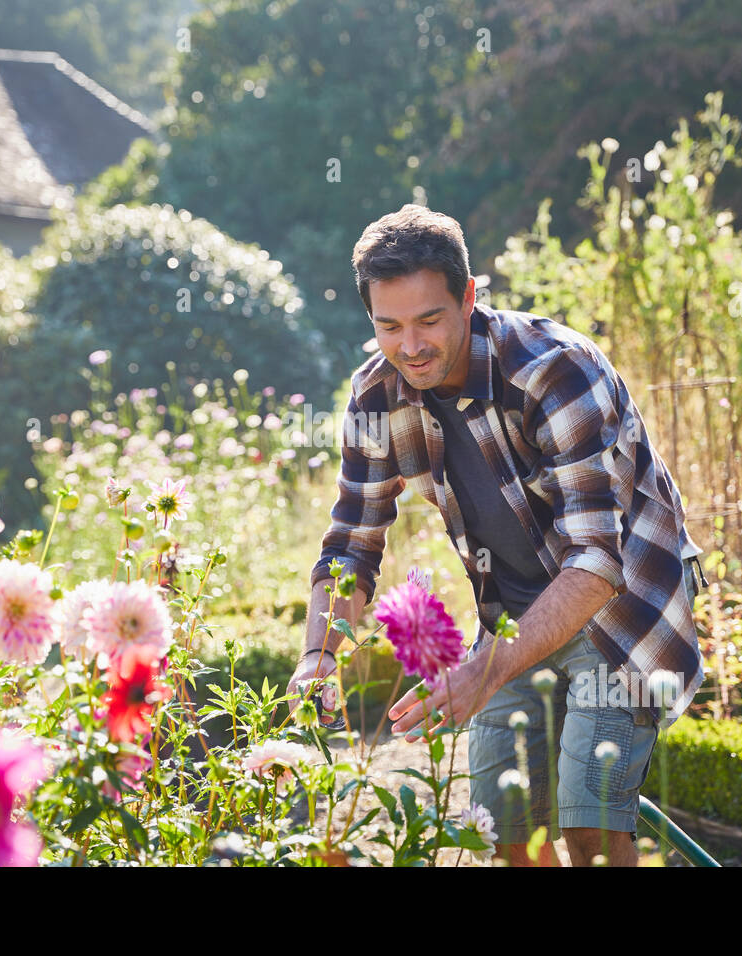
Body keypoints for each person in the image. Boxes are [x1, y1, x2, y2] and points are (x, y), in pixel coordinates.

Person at [287, 203, 705, 866]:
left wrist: (481, 671)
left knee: (587, 820)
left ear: (470, 297)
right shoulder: (375, 398)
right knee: (505, 824)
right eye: (389, 326)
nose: (411, 346)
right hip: (513, 617)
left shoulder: (553, 371)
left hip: (621, 605)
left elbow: (596, 562)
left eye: (429, 320)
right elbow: (351, 545)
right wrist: (319, 653)